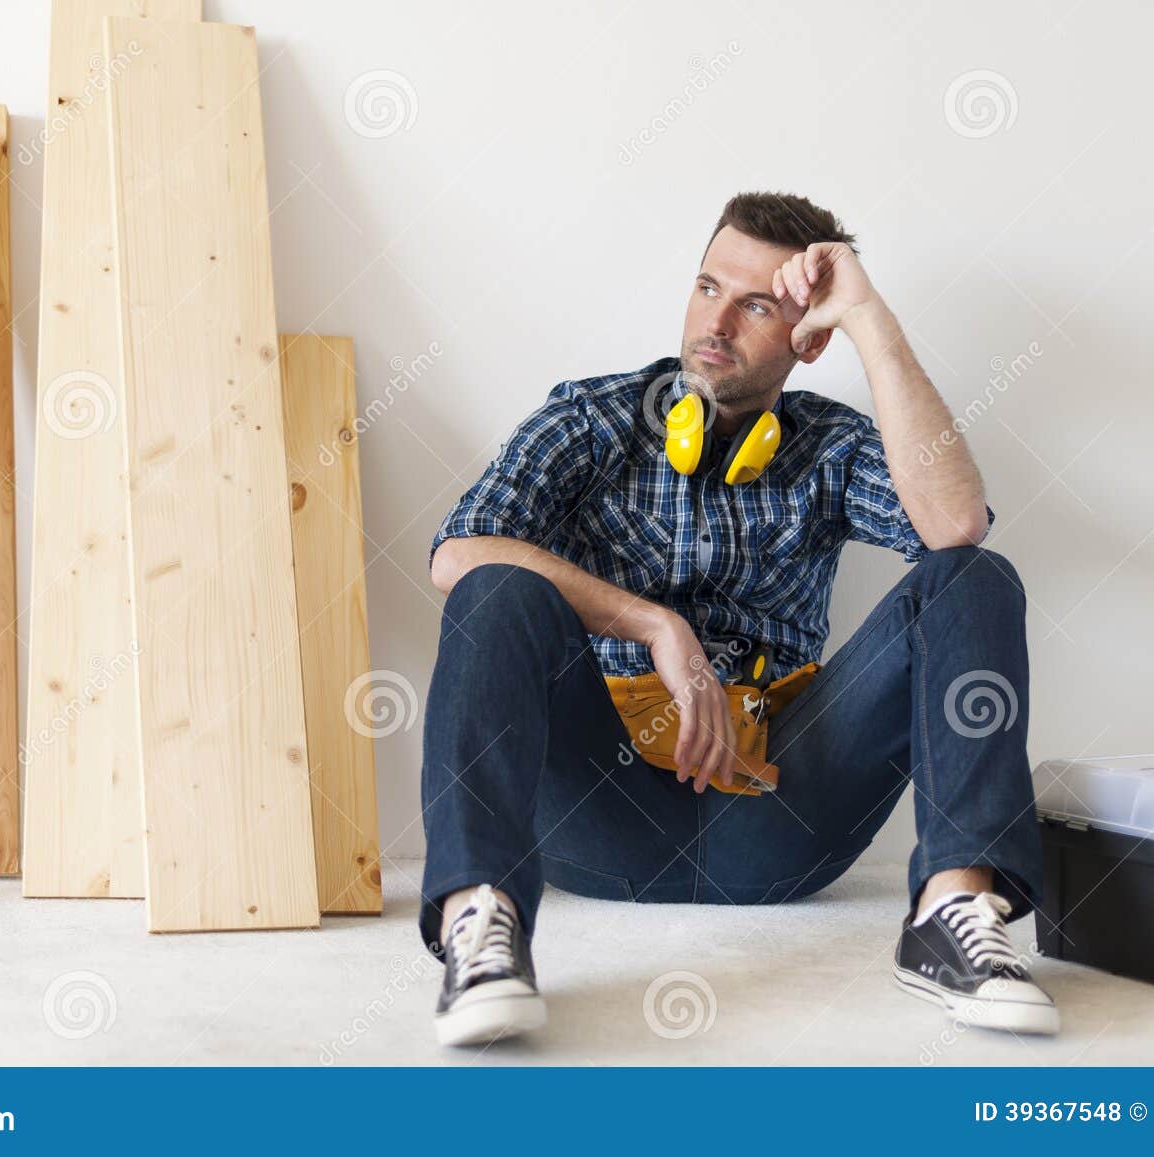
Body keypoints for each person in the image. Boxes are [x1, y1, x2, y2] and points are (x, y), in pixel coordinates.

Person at [421, 191, 1056, 1048]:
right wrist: (656, 627)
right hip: (603, 807)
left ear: (810, 336)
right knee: (497, 584)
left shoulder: (832, 444)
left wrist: (868, 317)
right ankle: (481, 925)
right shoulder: (591, 416)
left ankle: (951, 913)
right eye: (708, 286)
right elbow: (457, 553)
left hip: (781, 814)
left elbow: (954, 525)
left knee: (972, 576)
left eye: (756, 304)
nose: (716, 322)